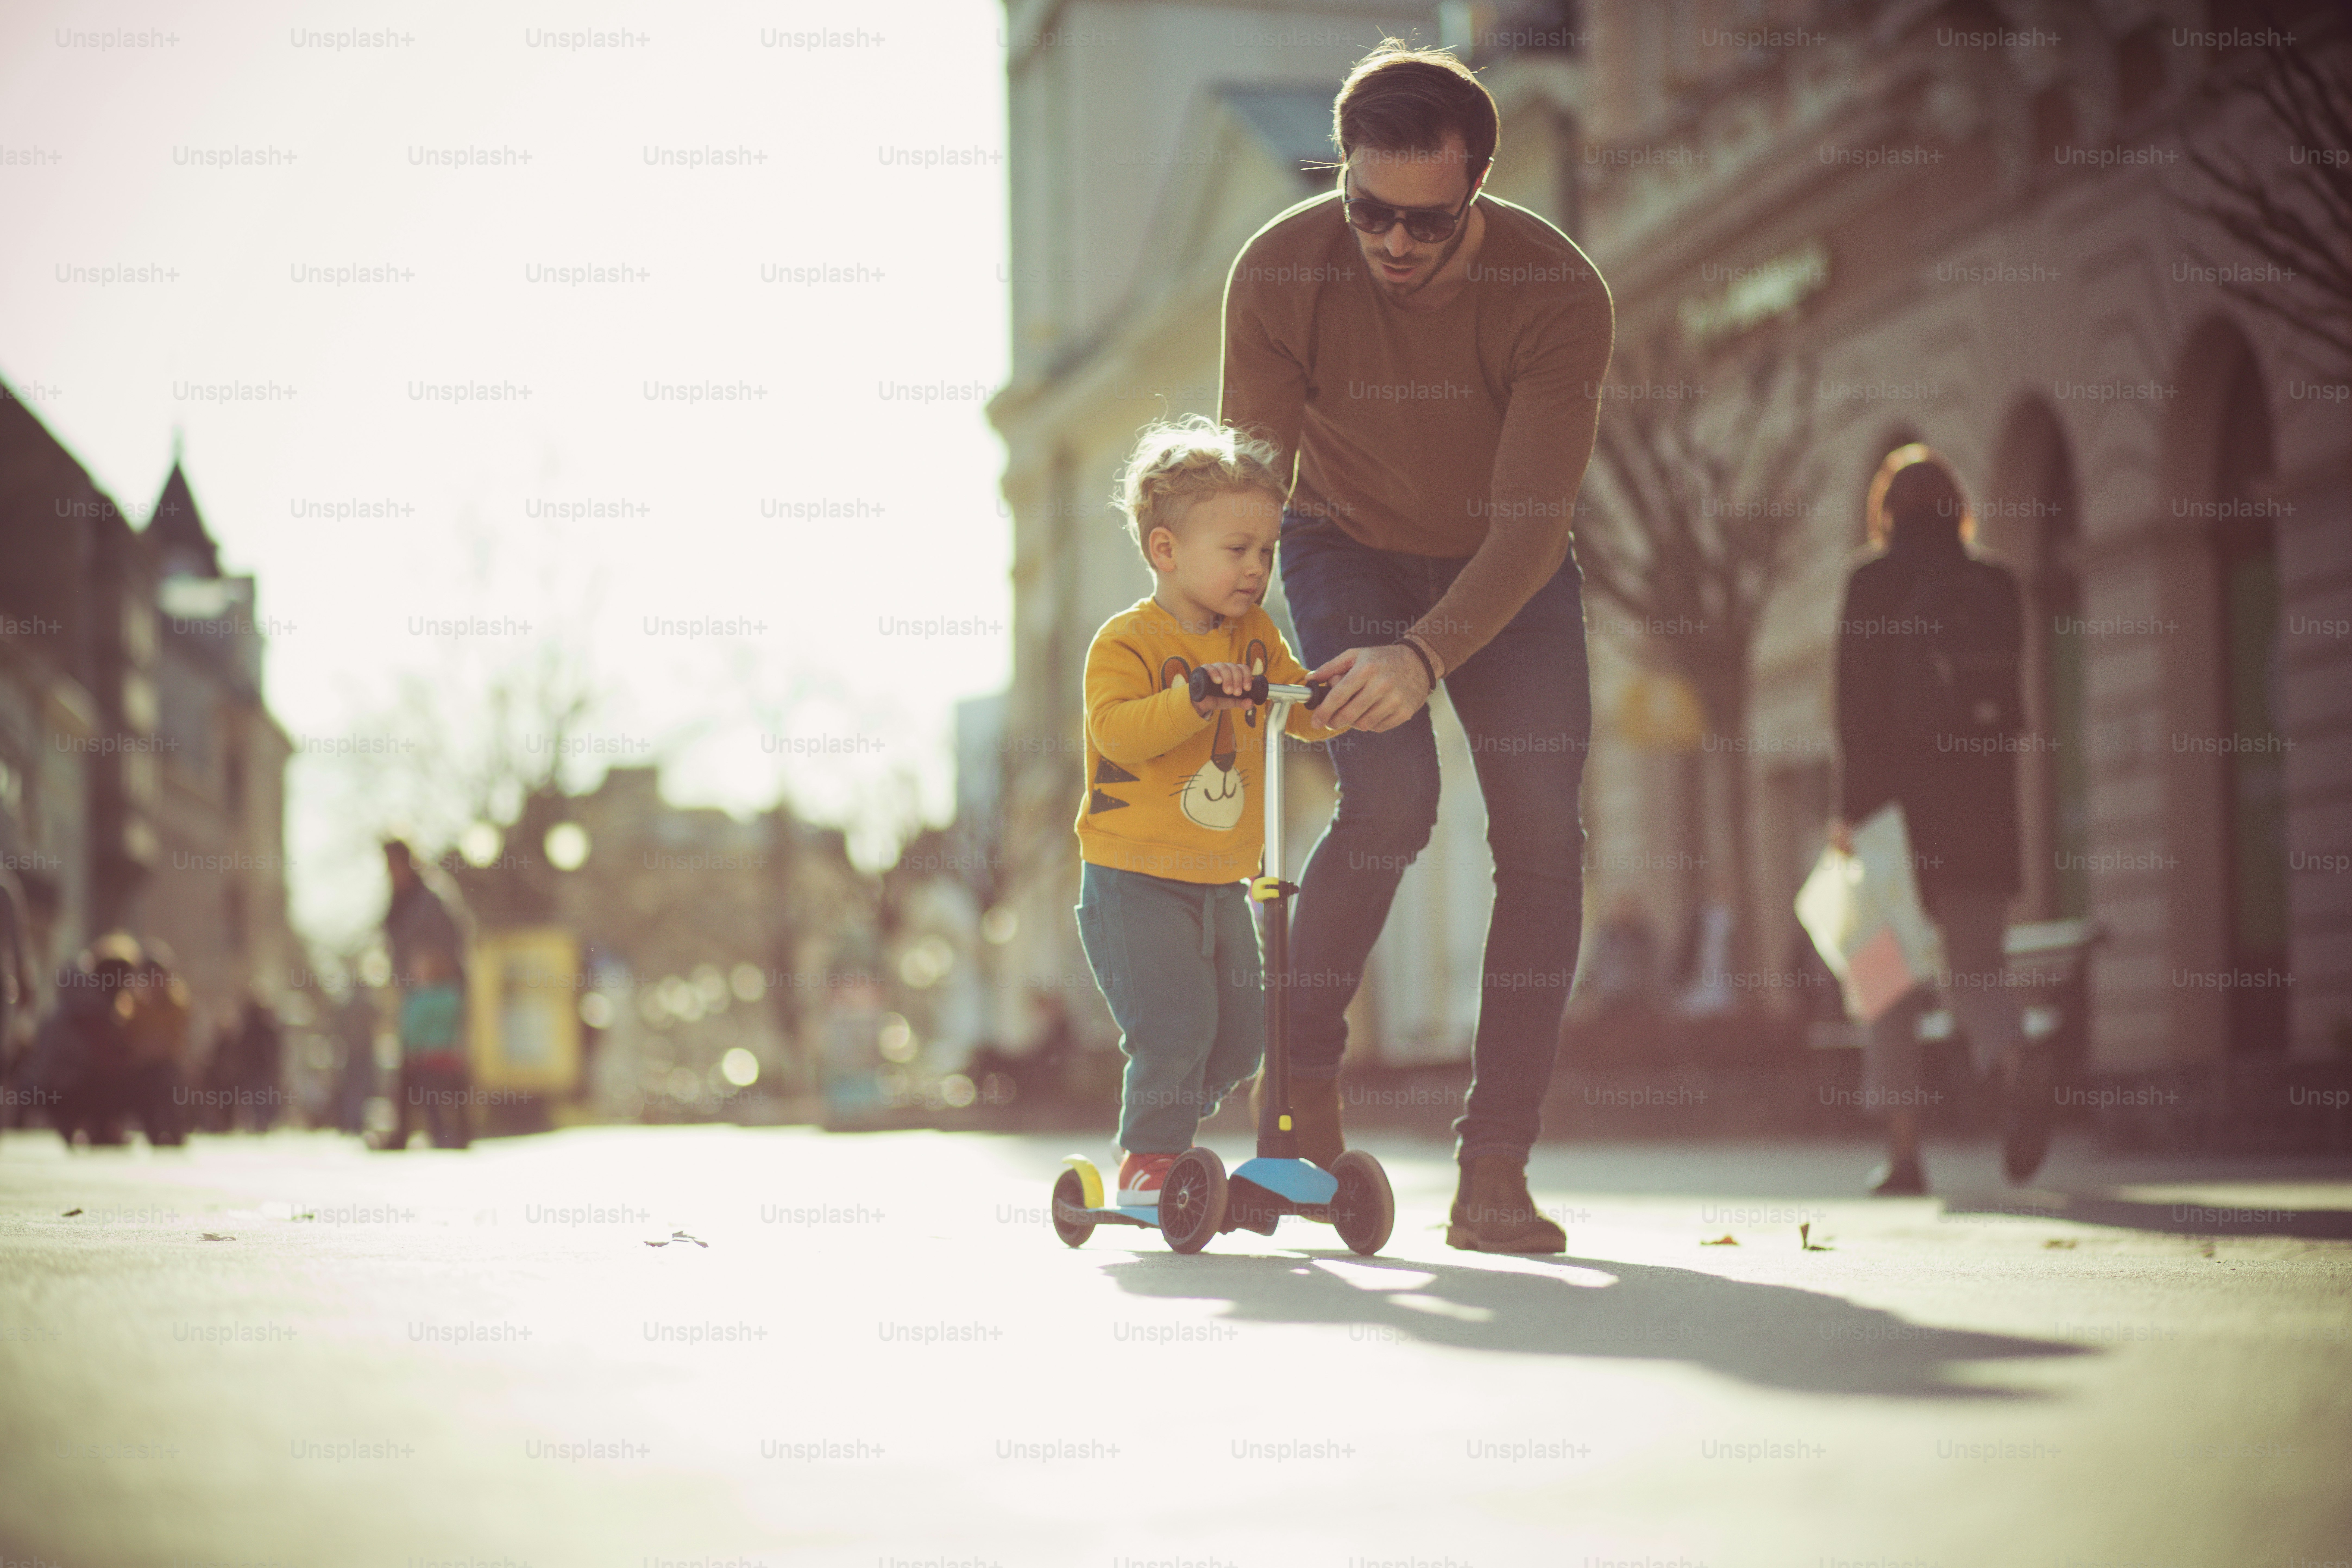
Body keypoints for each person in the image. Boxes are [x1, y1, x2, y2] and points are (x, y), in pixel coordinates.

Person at [1219, 42, 1614, 1251]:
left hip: (1513, 575)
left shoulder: (1559, 294)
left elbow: (1531, 524)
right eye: (1365, 209)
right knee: (1390, 801)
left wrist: (1428, 655)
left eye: (1422, 221)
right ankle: (1303, 1075)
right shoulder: (1282, 273)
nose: (1389, 242)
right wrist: (1226, 632)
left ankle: (1496, 1168)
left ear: (1477, 189)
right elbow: (1247, 483)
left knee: (1544, 841)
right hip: (1344, 546)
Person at [1071, 417, 1347, 1206]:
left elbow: (1297, 705)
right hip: (1133, 878)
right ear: (1166, 550)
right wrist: (1191, 697)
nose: (1257, 569)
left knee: (1240, 1040)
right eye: (1237, 550)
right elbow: (1117, 730)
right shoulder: (1125, 641)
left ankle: (1161, 1128)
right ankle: (1150, 1160)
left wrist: (1333, 702)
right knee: (1174, 1027)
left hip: (1223, 879)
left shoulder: (1256, 634)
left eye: (1267, 551)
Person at [1831, 444, 2044, 1194]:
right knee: (1978, 971)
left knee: (1885, 980)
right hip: (1983, 816)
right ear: (1956, 508)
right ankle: (2014, 1061)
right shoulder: (1995, 584)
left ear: (1888, 514)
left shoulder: (1870, 584)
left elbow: (1852, 711)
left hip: (1891, 817)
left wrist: (1850, 815)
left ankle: (1904, 1153)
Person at [381, 838, 472, 1149]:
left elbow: (455, 940)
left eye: (393, 863)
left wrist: (433, 965)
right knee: (411, 1060)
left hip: (440, 991)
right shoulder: (398, 901)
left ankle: (454, 1129)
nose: (390, 871)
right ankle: (411, 1130)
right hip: (413, 992)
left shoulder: (431, 898)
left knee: (441, 1061)